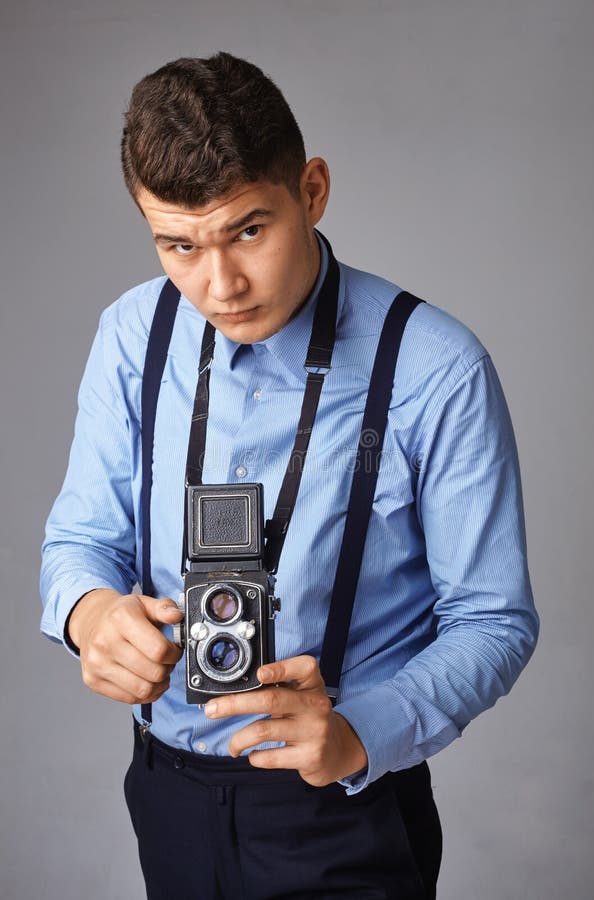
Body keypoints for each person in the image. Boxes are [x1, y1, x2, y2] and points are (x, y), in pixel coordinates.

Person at [40, 51, 539, 900]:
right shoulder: (132, 334)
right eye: (177, 245)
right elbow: (82, 540)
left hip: (346, 806)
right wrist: (89, 613)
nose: (219, 285)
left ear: (311, 191)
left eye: (248, 230)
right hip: (165, 793)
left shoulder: (436, 368)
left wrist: (356, 733)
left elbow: (493, 619)